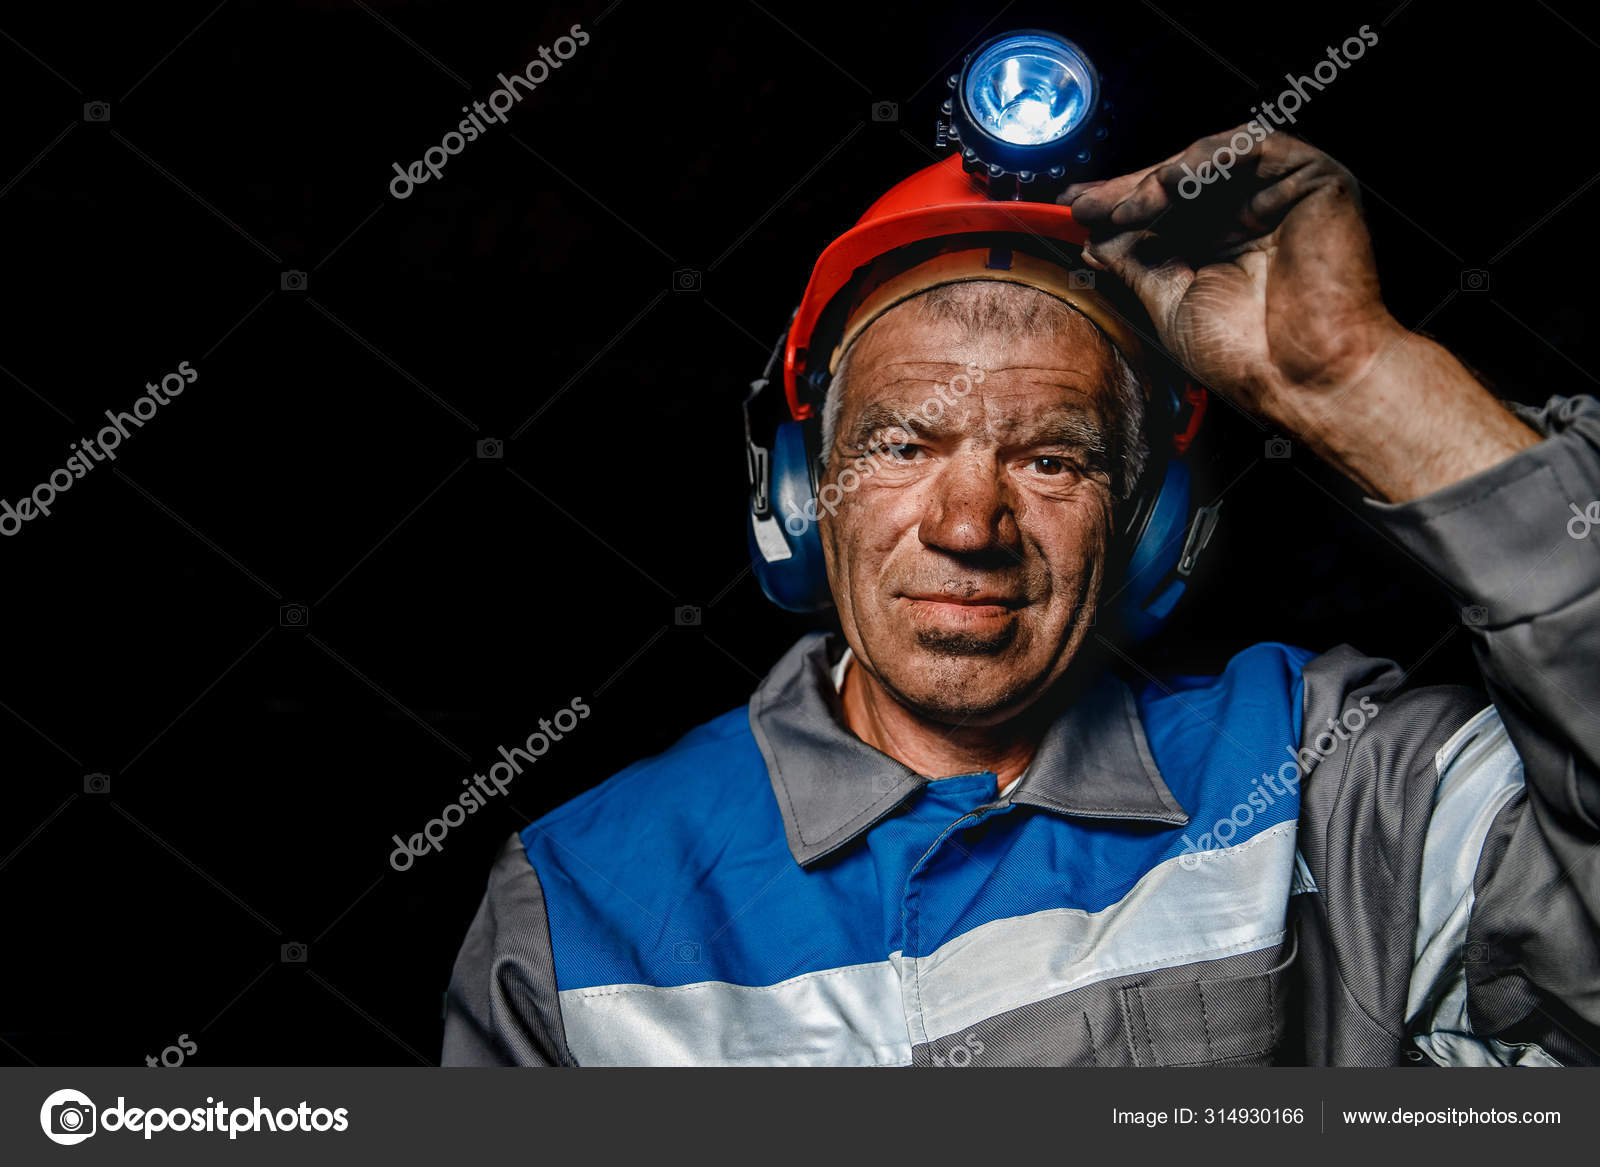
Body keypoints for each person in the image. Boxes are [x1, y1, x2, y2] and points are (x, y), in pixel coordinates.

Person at [441, 126, 1600, 1066]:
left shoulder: (1339, 782)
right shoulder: (576, 899)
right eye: (900, 443)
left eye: (1053, 460)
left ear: (1151, 526)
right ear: (804, 495)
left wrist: (1364, 382)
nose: (966, 526)